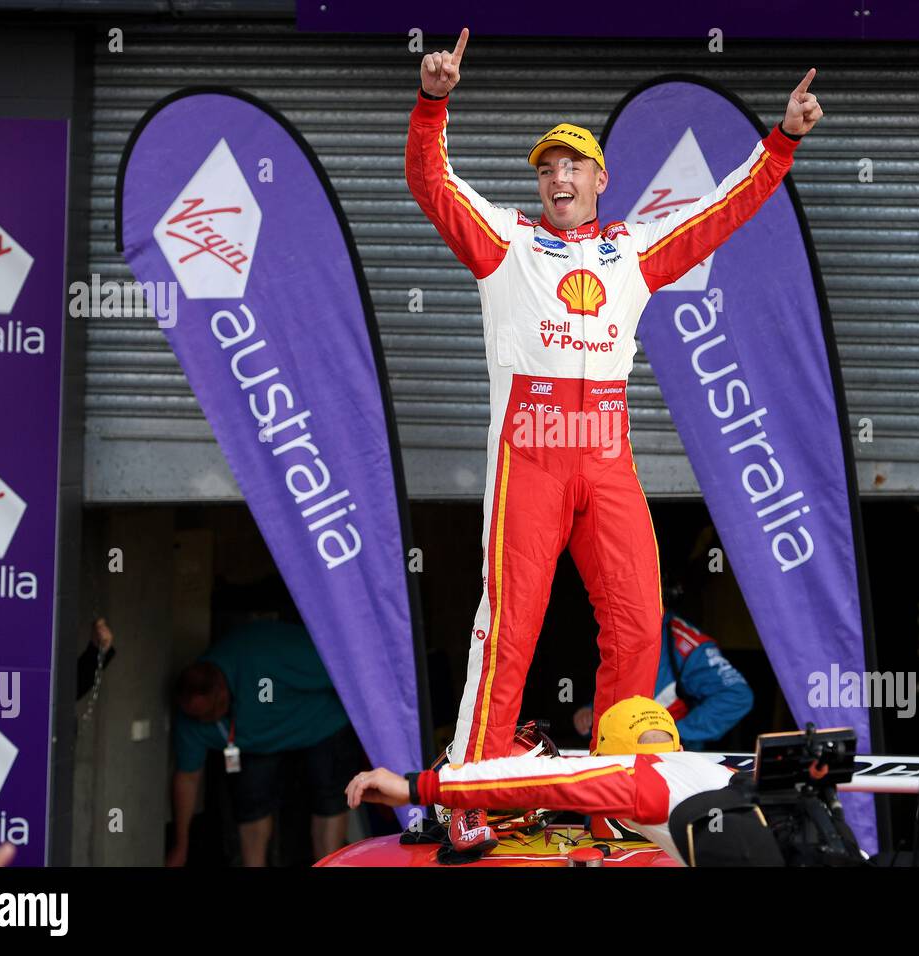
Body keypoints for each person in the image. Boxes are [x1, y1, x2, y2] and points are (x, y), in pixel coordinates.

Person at [406, 26, 824, 854]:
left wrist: (782, 142)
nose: (558, 177)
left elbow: (720, 213)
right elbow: (431, 182)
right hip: (529, 455)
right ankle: (467, 794)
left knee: (638, 627)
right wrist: (433, 102)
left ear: (602, 179)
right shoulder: (508, 243)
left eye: (573, 166)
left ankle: (615, 793)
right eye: (546, 167)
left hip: (606, 457)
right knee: (509, 630)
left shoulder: (634, 249)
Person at [347, 697, 736, 865]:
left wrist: (417, 787)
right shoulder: (723, 774)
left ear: (603, 760)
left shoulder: (636, 783)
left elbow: (540, 781)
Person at [166, 615, 358, 867]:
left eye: (210, 714)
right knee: (251, 803)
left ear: (223, 690)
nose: (204, 722)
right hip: (255, 743)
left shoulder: (267, 653)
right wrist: (181, 845)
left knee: (329, 801)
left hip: (321, 724)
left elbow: (347, 669)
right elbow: (188, 777)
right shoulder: (192, 714)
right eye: (196, 717)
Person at [573, 612, 754, 750]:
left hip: (669, 761)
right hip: (615, 752)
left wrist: (673, 733)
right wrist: (593, 711)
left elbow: (737, 695)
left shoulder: (686, 645)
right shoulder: (612, 630)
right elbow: (625, 686)